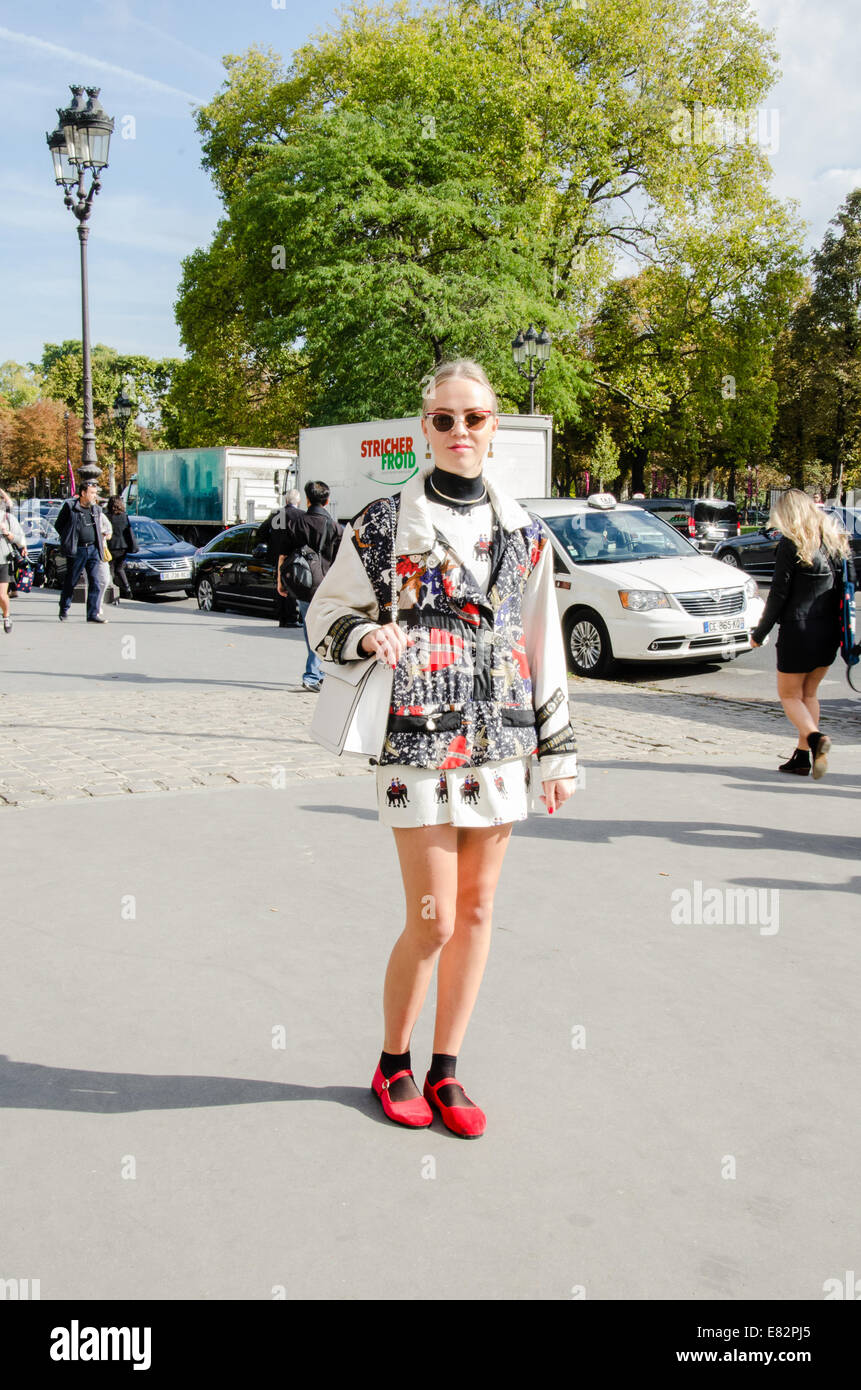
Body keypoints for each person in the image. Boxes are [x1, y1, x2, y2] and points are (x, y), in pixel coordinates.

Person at [305, 359, 578, 1138]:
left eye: (476, 418)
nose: (461, 432)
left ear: (495, 429)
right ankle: (393, 1060)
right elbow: (327, 613)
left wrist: (554, 754)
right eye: (445, 419)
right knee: (432, 919)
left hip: (499, 738)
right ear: (423, 428)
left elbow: (541, 642)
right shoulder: (382, 522)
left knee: (479, 910)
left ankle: (445, 1069)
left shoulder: (526, 531)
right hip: (417, 735)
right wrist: (367, 630)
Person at [750, 488, 855, 779]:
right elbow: (846, 590)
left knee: (789, 695)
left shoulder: (791, 544)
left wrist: (759, 632)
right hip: (829, 631)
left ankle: (814, 738)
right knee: (809, 693)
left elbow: (778, 596)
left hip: (798, 630)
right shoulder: (833, 543)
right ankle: (801, 758)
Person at [277, 481, 343, 691]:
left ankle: (315, 674)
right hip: (327, 584)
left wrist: (280, 581)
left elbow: (283, 554)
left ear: (307, 499)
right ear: (327, 500)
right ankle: (314, 675)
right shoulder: (334, 527)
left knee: (311, 630)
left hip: (303, 583)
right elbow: (343, 560)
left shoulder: (297, 523)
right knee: (324, 630)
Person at [54, 480, 109, 623]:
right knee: (71, 580)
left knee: (95, 581)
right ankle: (64, 607)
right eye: (92, 493)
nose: (94, 496)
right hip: (77, 549)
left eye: (95, 493)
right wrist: (69, 538)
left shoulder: (96, 509)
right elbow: (59, 525)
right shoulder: (70, 506)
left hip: (93, 549)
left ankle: (92, 613)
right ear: (83, 493)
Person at [0, 489, 28, 634]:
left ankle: (6, 616)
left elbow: (20, 538)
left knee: (1, 595)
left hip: (3, 560)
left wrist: (8, 534)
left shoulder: (7, 518)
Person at [106, 495, 137, 603]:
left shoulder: (107, 516)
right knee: (119, 568)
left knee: (110, 568)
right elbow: (128, 531)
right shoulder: (124, 516)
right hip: (123, 546)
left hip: (111, 546)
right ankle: (127, 588)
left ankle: (112, 590)